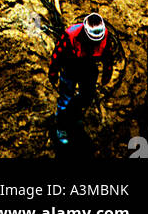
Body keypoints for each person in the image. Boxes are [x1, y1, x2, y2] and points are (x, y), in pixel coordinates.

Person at [49, 13, 115, 145]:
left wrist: (107, 73)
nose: (95, 43)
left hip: (89, 66)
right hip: (71, 66)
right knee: (65, 99)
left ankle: (75, 115)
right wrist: (53, 73)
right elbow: (57, 54)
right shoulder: (71, 35)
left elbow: (108, 56)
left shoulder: (105, 36)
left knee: (87, 96)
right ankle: (61, 126)